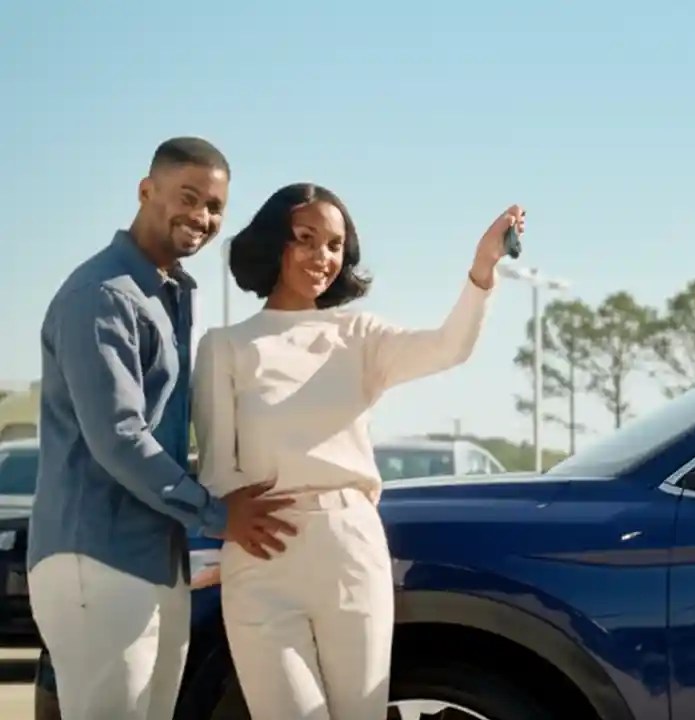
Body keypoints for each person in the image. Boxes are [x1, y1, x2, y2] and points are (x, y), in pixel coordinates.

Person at [192, 181, 523, 719]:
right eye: (305, 238)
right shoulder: (225, 347)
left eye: (334, 245)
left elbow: (448, 347)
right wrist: (227, 530)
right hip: (262, 557)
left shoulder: (359, 336)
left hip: (350, 547)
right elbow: (216, 471)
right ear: (275, 241)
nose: (321, 257)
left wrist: (483, 268)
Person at [27, 137, 299, 720]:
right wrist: (221, 517)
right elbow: (119, 436)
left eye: (215, 207)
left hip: (155, 559)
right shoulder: (101, 295)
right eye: (188, 197)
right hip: (96, 560)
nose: (201, 217)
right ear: (146, 191)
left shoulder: (164, 293)